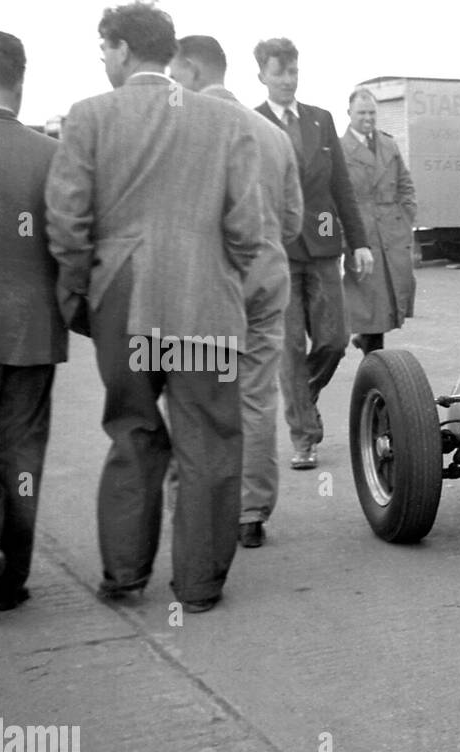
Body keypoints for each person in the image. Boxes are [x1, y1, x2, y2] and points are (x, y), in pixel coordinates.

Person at [45, 2, 264, 612]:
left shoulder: (88, 118)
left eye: (103, 51)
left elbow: (66, 223)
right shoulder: (224, 123)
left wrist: (82, 292)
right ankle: (198, 586)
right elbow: (249, 229)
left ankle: (124, 577)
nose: (104, 62)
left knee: (133, 431)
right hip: (205, 300)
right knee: (211, 438)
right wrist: (227, 279)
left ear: (119, 49)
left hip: (121, 295)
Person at [170, 35, 303, 550]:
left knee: (197, 400)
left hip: (202, 285)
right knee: (255, 397)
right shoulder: (273, 135)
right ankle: (250, 514)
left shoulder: (184, 129)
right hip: (266, 281)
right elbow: (291, 223)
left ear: (191, 70)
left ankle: (198, 509)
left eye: (176, 74)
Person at [0, 31, 67, 613]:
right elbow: (68, 245)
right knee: (21, 456)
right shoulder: (50, 156)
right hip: (32, 332)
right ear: (21, 82)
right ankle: (8, 580)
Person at [253, 37, 371, 471]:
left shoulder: (320, 122)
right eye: (280, 72)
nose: (288, 80)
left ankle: (305, 395)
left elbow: (342, 187)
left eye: (294, 72)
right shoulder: (252, 122)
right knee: (288, 349)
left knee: (334, 340)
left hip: (323, 248)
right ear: (262, 75)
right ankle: (305, 437)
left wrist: (358, 242)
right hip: (276, 254)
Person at [341, 87, 416, 356]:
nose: (368, 118)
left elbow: (406, 186)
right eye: (362, 113)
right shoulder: (339, 149)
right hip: (361, 235)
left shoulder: (388, 144)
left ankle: (369, 348)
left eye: (372, 112)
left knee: (386, 303)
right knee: (369, 305)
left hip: (391, 233)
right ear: (349, 113)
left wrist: (405, 217)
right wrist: (334, 238)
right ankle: (372, 359)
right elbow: (330, 200)